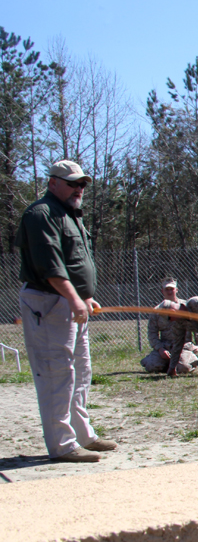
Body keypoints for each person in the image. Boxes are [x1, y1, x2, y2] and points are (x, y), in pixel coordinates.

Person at [16, 159, 116, 463]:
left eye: (82, 184)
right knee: (56, 373)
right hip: (48, 304)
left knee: (80, 371)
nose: (79, 189)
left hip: (72, 305)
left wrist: (84, 298)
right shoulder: (40, 214)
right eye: (73, 183)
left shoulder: (71, 215)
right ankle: (62, 445)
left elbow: (73, 264)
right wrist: (74, 298)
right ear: (53, 183)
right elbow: (50, 266)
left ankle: (83, 435)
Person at [141, 278, 198, 374]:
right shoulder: (156, 311)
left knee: (184, 368)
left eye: (171, 289)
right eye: (166, 289)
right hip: (165, 346)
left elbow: (197, 327)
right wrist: (160, 349)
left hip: (183, 346)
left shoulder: (186, 307)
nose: (169, 291)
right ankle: (158, 361)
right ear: (162, 291)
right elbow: (152, 333)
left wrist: (197, 345)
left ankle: (186, 360)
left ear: (176, 290)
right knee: (153, 366)